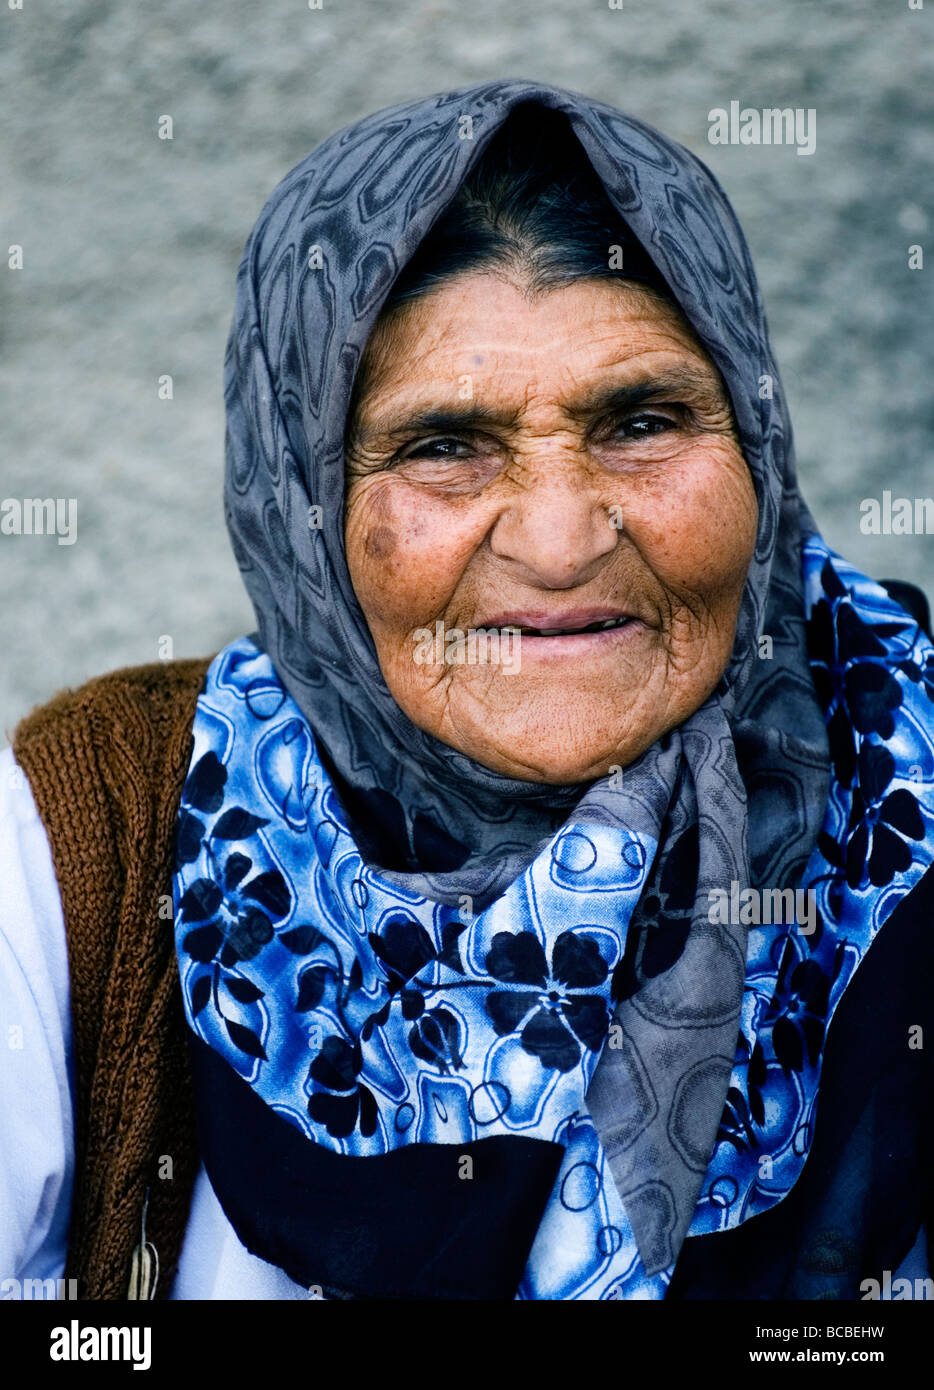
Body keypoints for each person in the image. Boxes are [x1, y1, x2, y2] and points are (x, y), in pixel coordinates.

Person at [2, 78, 932, 1302]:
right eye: (443, 446)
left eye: (642, 422)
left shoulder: (902, 776)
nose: (560, 542)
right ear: (301, 500)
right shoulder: (80, 852)